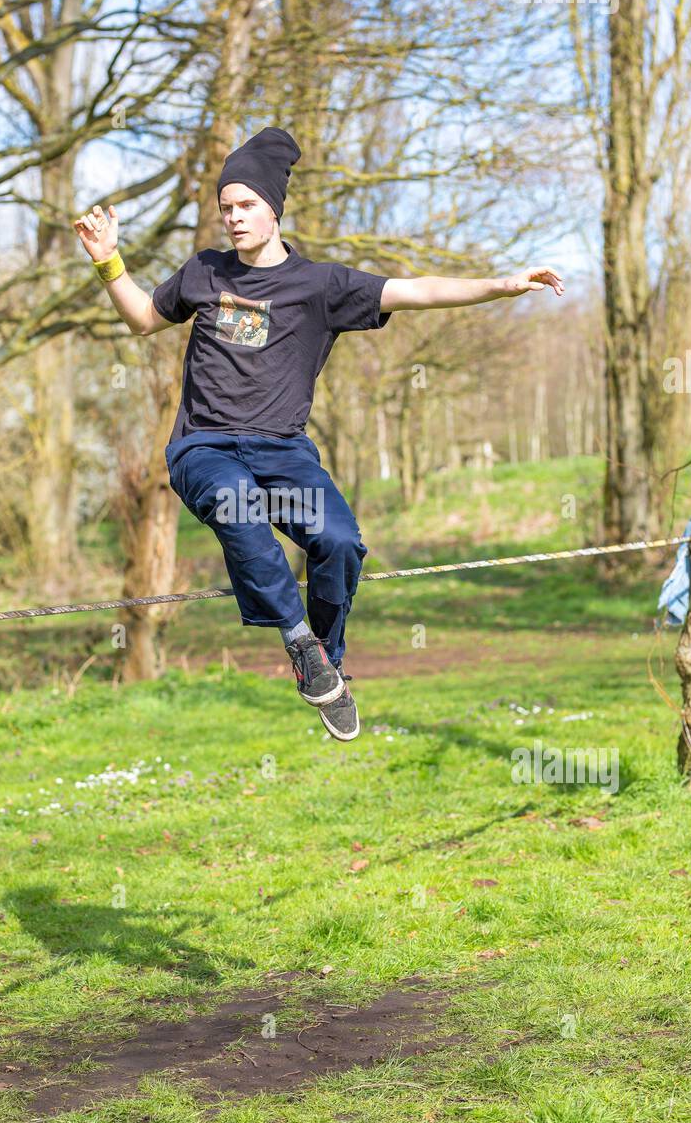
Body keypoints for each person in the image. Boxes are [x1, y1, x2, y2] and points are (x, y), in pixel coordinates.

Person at [74, 126, 563, 740]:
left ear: (275, 209)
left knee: (339, 542)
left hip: (281, 452)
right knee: (237, 507)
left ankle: (325, 662)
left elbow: (415, 290)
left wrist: (501, 284)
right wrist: (108, 262)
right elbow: (145, 319)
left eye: (246, 205)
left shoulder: (321, 286)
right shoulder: (203, 270)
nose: (233, 217)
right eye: (225, 207)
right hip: (206, 448)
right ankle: (298, 639)